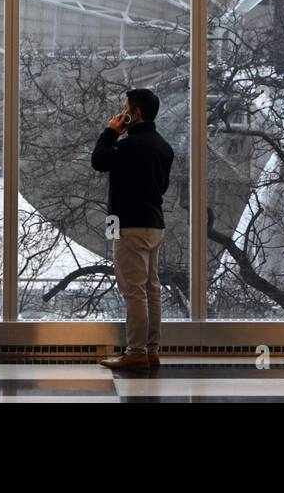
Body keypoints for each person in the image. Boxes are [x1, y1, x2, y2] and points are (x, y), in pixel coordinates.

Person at [91, 88, 174, 370]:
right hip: (154, 224)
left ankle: (136, 351)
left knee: (134, 291)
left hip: (130, 225)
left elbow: (99, 161)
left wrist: (110, 131)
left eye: (125, 108)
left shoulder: (128, 146)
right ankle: (151, 349)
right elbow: (161, 187)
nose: (121, 113)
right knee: (151, 289)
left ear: (135, 113)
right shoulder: (163, 146)